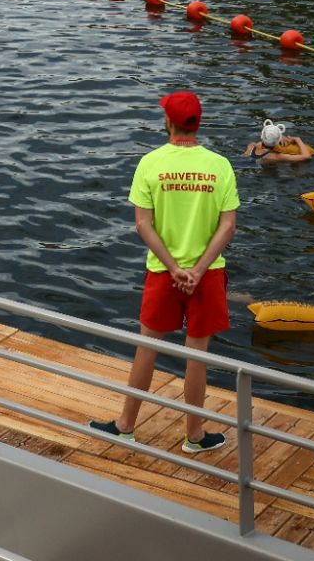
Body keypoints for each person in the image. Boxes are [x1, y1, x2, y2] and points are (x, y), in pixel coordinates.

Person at [92, 90, 238, 455]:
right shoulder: (220, 165)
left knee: (147, 348)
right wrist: (197, 269)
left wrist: (174, 268)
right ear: (197, 123)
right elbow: (228, 227)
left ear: (168, 122)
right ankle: (194, 435)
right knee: (197, 356)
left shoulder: (150, 163)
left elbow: (143, 225)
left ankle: (126, 426)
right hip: (208, 275)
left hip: (163, 273)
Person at [242, 120, 314, 165]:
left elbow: (255, 143)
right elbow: (307, 157)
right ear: (278, 141)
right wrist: (298, 140)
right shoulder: (277, 156)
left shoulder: (252, 147)